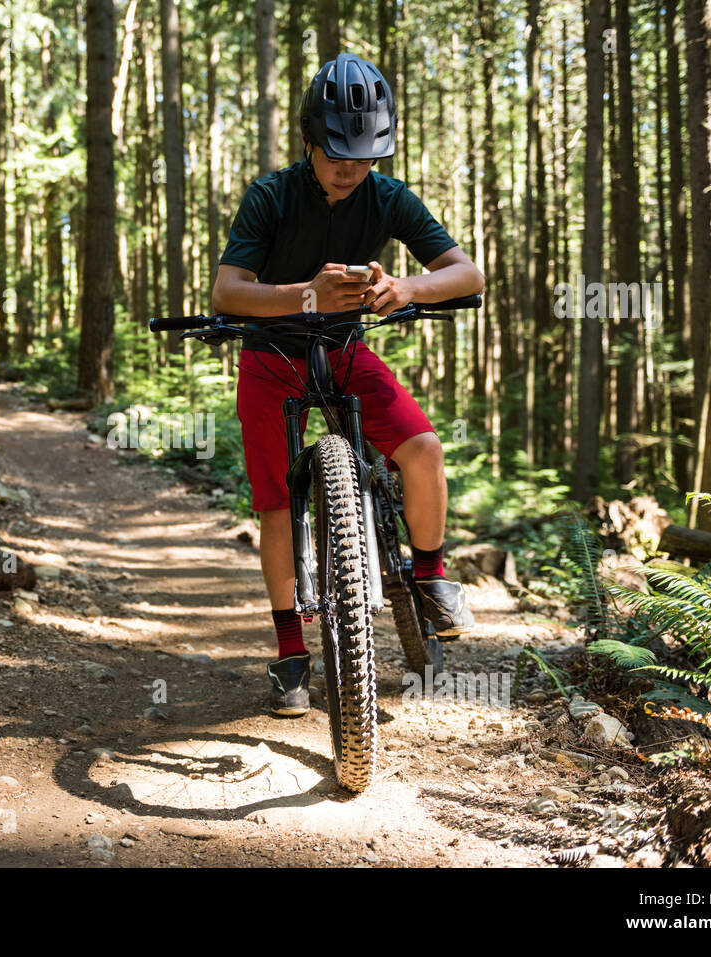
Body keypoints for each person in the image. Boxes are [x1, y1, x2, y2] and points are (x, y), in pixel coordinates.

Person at [211, 53, 484, 717]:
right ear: (309, 140)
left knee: (423, 450)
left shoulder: (389, 197)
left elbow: (468, 275)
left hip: (344, 351)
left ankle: (430, 578)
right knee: (277, 502)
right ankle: (290, 650)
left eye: (364, 158)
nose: (349, 169)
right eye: (336, 154)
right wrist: (306, 294)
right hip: (270, 358)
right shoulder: (270, 195)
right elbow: (227, 292)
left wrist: (406, 287)